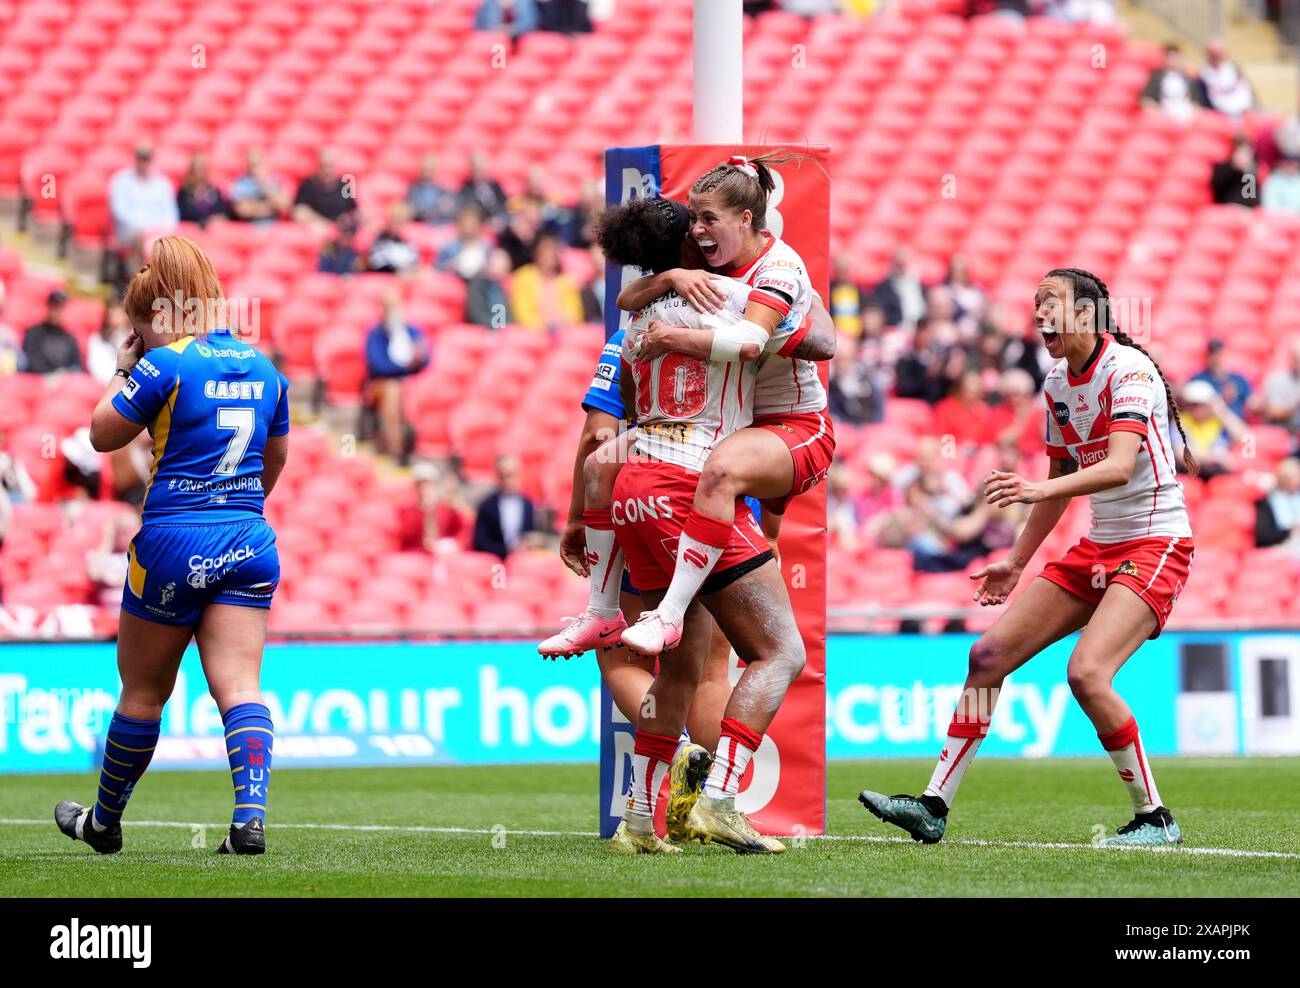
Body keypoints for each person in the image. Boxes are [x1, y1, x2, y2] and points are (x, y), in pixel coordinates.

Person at [859, 267, 1196, 848]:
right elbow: (1061, 475)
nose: (1039, 314)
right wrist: (1016, 561)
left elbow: (1116, 467)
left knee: (1087, 673)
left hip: (1156, 542)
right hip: (1099, 545)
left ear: (1087, 314)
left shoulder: (1130, 371)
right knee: (987, 655)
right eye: (1035, 303)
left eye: (1052, 303)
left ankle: (1154, 819)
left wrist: (1040, 490)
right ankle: (933, 805)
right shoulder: (1058, 384)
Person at [547, 195, 804, 854]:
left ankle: (638, 821)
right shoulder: (734, 297)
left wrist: (582, 513)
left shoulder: (630, 325)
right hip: (691, 490)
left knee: (679, 670)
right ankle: (720, 798)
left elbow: (602, 434)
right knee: (781, 652)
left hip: (633, 489)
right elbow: (788, 338)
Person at [54, 235, 289, 857]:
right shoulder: (266, 369)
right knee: (240, 686)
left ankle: (103, 823)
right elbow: (276, 459)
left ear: (159, 315)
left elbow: (102, 436)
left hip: (171, 540)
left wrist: (124, 364)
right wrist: (235, 503)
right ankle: (250, 820)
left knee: (142, 692)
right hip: (248, 538)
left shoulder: (166, 364)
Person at [601, 157, 836, 657]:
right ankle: (605, 615)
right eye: (694, 221)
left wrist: (673, 338)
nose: (699, 231)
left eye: (708, 219)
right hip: (735, 423)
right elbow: (627, 296)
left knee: (719, 477)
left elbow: (819, 342)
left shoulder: (778, 269)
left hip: (788, 424)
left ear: (746, 219)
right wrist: (672, 278)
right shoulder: (706, 273)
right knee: (605, 464)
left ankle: (660, 613)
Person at [364, 293, 430, 462]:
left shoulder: (413, 332)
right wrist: (405, 366)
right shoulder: (376, 335)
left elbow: (427, 359)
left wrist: (419, 358)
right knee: (392, 390)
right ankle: (396, 448)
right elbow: (377, 365)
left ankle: (423, 444)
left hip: (412, 383)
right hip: (384, 385)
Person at [108, 144, 179, 271]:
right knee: (143, 241)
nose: (144, 161)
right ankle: (142, 281)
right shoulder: (121, 180)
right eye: (141, 157)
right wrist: (145, 229)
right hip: (130, 232)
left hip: (158, 232)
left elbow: (170, 214)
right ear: (136, 157)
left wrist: (160, 230)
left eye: (147, 157)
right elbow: (119, 212)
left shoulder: (162, 183)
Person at [509, 232, 584, 330]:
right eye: (546, 251)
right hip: (534, 334)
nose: (550, 255)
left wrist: (562, 322)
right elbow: (522, 314)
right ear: (536, 254)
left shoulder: (565, 281)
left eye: (554, 250)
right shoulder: (524, 277)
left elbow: (576, 314)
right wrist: (546, 325)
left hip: (563, 334)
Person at [472, 455, 539, 559]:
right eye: (503, 476)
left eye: (511, 475)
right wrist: (507, 550)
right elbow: (480, 543)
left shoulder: (528, 505)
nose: (508, 480)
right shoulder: (487, 506)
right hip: (495, 561)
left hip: (521, 561)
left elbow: (531, 535)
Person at [292, 149, 356, 230]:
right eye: (323, 166)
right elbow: (299, 212)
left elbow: (353, 210)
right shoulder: (308, 186)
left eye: (329, 166)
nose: (326, 170)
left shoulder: (344, 186)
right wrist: (325, 224)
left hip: (341, 231)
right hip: (316, 229)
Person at [22, 289, 83, 374]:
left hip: (65, 383)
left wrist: (62, 375)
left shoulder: (70, 340)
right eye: (54, 306)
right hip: (37, 382)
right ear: (48, 306)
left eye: (59, 307)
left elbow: (77, 366)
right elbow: (31, 363)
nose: (56, 311)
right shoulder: (33, 333)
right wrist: (52, 374)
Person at [1139, 43, 1205, 121]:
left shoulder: (1188, 79)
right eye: (1169, 57)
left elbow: (1197, 102)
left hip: (1186, 115)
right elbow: (1146, 99)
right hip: (1163, 114)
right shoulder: (1156, 77)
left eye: (1175, 57)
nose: (1172, 60)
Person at [1191, 337, 1252, 418]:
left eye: (1219, 354)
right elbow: (1196, 415)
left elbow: (1252, 403)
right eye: (1212, 354)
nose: (1216, 358)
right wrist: (1222, 400)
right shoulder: (1199, 381)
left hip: (1238, 423)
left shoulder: (1238, 379)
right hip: (1212, 427)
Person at [229, 149, 291, 225]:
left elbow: (284, 205)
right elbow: (243, 211)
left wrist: (263, 184)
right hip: (249, 228)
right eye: (253, 165)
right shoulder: (241, 184)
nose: (255, 169)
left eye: (258, 164)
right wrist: (270, 206)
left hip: (274, 228)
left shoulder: (274, 181)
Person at [871, 246, 926, 329]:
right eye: (898, 264)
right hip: (896, 329)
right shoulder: (883, 289)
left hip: (920, 328)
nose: (901, 268)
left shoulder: (920, 286)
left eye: (904, 264)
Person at [1199, 38, 1254, 118]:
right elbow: (1207, 101)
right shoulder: (1203, 74)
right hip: (1218, 115)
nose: (1216, 56)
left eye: (1218, 53)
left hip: (1243, 110)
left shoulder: (1234, 68)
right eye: (1213, 53)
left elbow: (1245, 90)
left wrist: (1246, 107)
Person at [435, 204, 491, 280]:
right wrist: (451, 267)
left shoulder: (486, 247)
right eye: (465, 222)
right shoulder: (449, 247)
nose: (468, 226)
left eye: (472, 222)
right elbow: (437, 269)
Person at [1256, 457, 1300, 552]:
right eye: (1294, 477)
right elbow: (1264, 535)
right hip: (1280, 545)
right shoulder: (1268, 500)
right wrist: (1289, 531)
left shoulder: (1297, 496)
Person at [176, 153, 229, 228]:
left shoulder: (215, 192)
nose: (199, 172)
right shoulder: (184, 193)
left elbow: (222, 214)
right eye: (197, 168)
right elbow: (183, 215)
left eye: (202, 168)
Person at [367, 202, 420, 274]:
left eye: (403, 221)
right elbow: (377, 264)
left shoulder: (410, 243)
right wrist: (397, 271)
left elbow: (413, 263)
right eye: (396, 220)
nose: (399, 225)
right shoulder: (380, 241)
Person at [406, 154, 459, 226]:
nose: (427, 172)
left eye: (430, 169)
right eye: (425, 169)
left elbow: (449, 209)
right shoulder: (413, 189)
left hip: (440, 227)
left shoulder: (444, 189)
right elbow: (412, 210)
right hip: (420, 226)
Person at [87, 301, 133, 383]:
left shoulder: (133, 337)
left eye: (120, 311)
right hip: (103, 383)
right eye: (113, 311)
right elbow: (96, 368)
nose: (116, 315)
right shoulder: (97, 338)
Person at [1262, 340, 1300, 431]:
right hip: (1285, 431)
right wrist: (1296, 406)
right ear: (1292, 360)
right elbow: (1273, 412)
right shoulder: (1277, 380)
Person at [1211, 136, 1259, 207]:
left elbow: (1251, 197)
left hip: (1244, 210)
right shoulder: (1222, 167)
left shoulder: (1251, 171)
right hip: (1226, 208)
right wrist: (1234, 168)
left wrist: (1247, 171)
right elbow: (1217, 188)